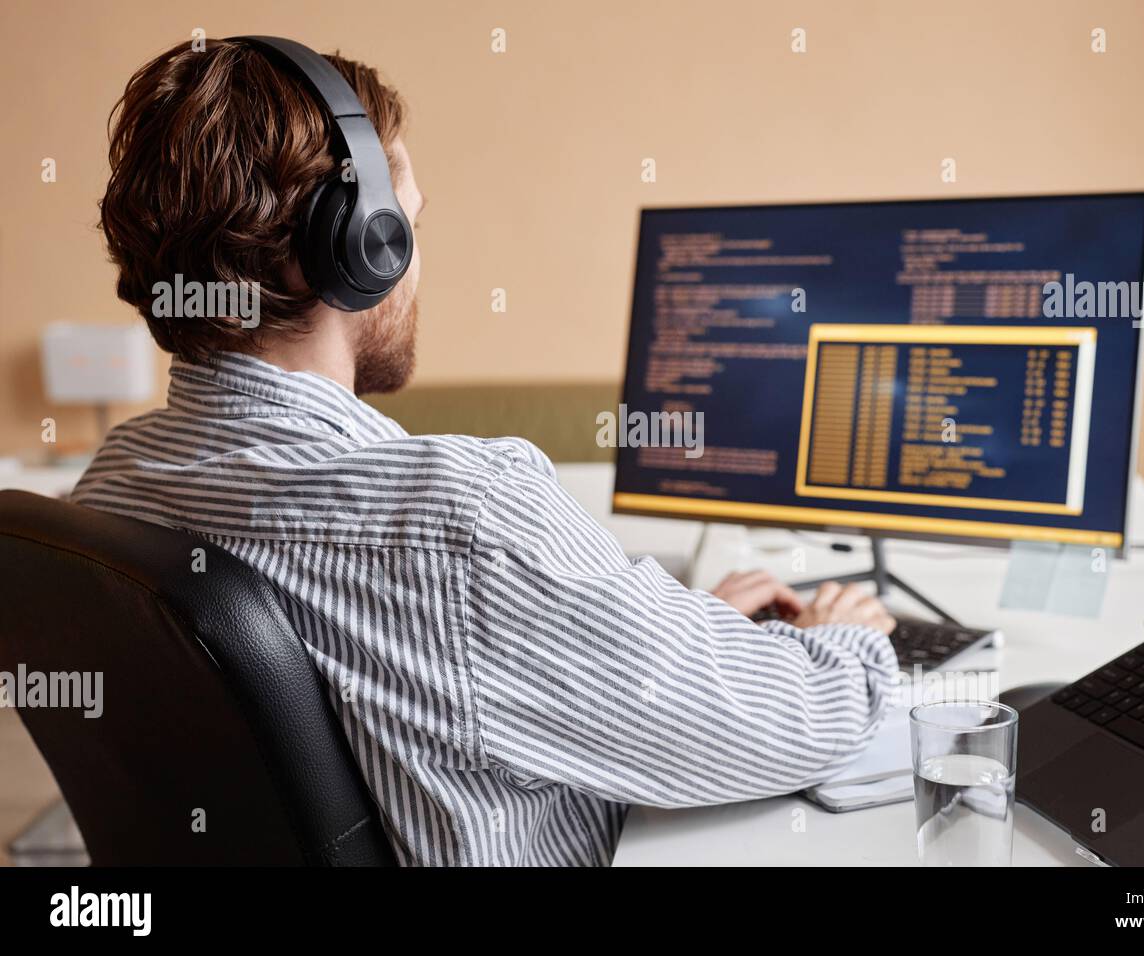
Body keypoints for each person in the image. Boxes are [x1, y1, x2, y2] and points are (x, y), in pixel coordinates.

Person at [72, 37, 899, 866]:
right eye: (407, 227)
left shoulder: (107, 490)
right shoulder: (466, 522)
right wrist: (840, 639)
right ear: (359, 250)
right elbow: (797, 723)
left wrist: (671, 637)